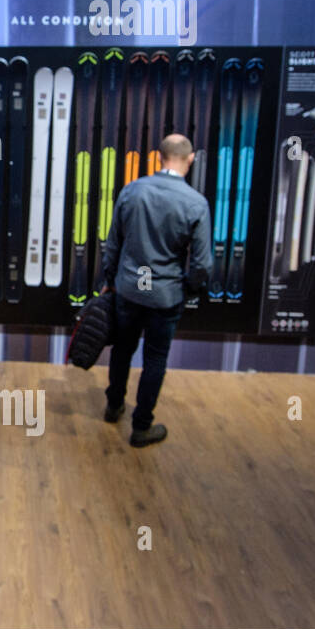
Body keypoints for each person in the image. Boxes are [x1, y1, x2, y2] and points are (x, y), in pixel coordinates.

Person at [101, 133, 212, 447]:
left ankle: (113, 405)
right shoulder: (195, 203)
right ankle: (141, 426)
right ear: (189, 159)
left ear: (159, 156)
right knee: (155, 360)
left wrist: (112, 280)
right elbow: (203, 264)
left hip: (130, 287)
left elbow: (113, 245)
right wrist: (187, 289)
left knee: (122, 349)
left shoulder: (132, 191)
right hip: (164, 294)